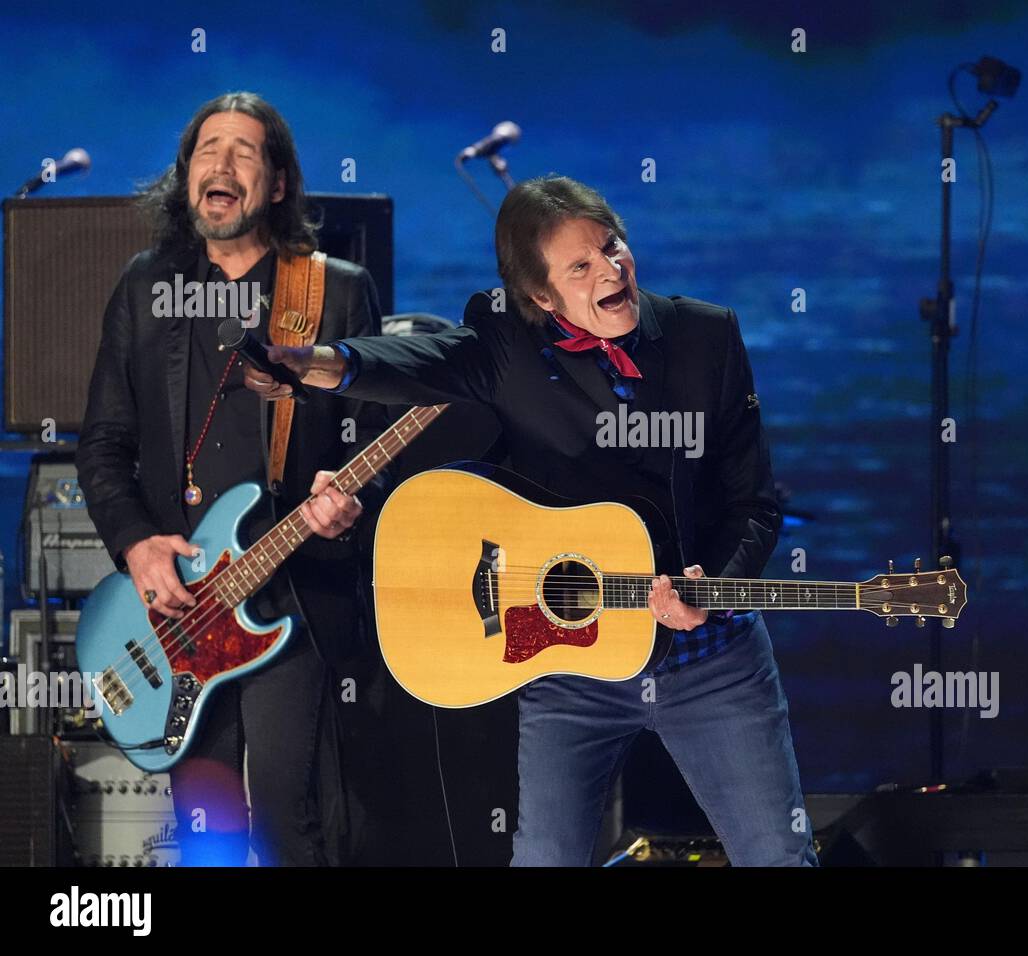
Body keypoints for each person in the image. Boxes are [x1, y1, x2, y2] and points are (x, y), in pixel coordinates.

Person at [256, 175, 817, 867]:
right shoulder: (507, 347)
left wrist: (711, 587)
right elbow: (418, 362)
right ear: (541, 297)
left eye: (612, 246)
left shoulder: (708, 337)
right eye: (580, 265)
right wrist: (320, 364)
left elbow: (756, 502)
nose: (611, 269)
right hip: (573, 669)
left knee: (779, 857)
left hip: (713, 664)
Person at [76, 91, 388, 866]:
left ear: (277, 184)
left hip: (290, 596)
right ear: (187, 178)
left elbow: (380, 443)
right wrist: (138, 548)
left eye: (245, 150)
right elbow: (104, 444)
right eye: (208, 149)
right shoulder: (146, 288)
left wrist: (350, 503)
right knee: (208, 830)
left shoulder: (333, 292)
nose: (222, 162)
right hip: (178, 608)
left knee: (290, 819)